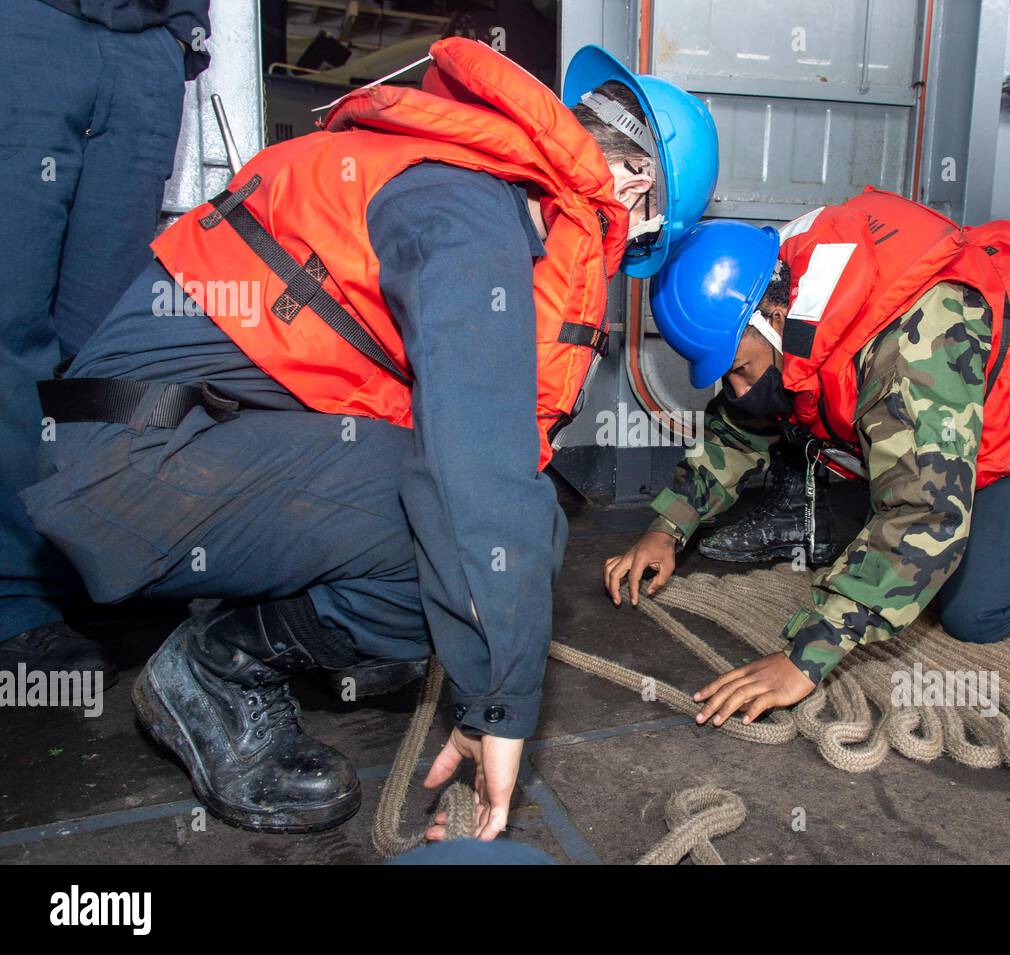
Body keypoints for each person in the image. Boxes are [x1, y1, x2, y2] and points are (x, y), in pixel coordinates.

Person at [19, 38, 718, 837]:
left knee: (451, 523)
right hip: (123, 464)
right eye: (633, 240)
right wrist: (501, 705)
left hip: (146, 429)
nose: (610, 257)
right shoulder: (469, 217)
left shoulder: (446, 170)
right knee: (485, 529)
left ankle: (282, 612)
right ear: (630, 187)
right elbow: (480, 479)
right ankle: (215, 668)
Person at [605, 189, 1010, 727]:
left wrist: (803, 659)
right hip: (975, 374)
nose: (738, 389)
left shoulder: (908, 351)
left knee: (977, 610)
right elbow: (740, 423)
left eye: (740, 367)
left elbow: (926, 514)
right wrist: (668, 527)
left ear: (774, 316)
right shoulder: (783, 292)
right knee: (906, 525)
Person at [0, 0, 211, 685]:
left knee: (104, 347)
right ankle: (15, 598)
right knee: (11, 329)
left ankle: (87, 567)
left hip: (146, 43)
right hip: (30, 27)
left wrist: (179, 36)